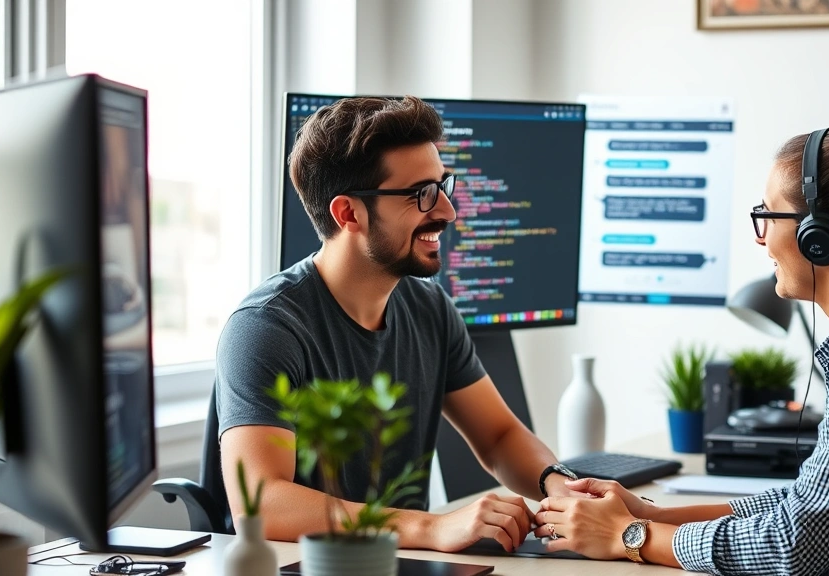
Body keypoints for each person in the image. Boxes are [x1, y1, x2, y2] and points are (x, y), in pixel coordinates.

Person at [531, 114, 829, 574]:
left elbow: (795, 544)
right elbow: (811, 501)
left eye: (767, 216)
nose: (761, 239)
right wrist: (651, 516)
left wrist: (626, 537)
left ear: (821, 238)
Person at [215, 95, 578, 551]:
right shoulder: (265, 328)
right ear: (348, 213)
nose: (447, 211)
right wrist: (432, 527)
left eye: (443, 186)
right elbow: (262, 503)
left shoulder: (429, 307)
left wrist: (560, 486)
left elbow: (499, 436)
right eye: (422, 194)